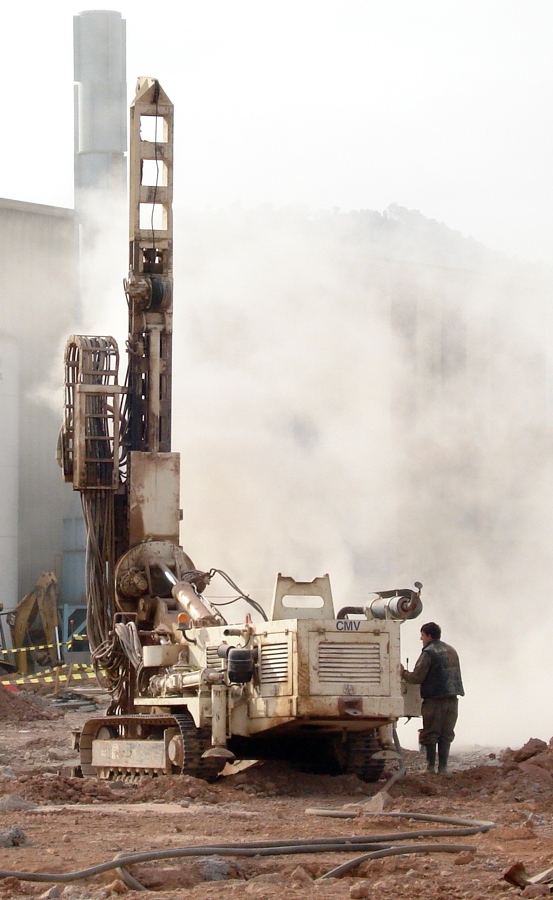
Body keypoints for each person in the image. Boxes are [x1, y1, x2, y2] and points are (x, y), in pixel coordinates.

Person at [401, 622, 464, 774]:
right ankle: (443, 768)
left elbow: (417, 677)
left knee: (430, 733)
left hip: (434, 700)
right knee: (446, 734)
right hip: (452, 699)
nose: (421, 638)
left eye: (422, 635)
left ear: (429, 636)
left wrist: (402, 673)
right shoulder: (451, 650)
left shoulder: (429, 653)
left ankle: (430, 767)